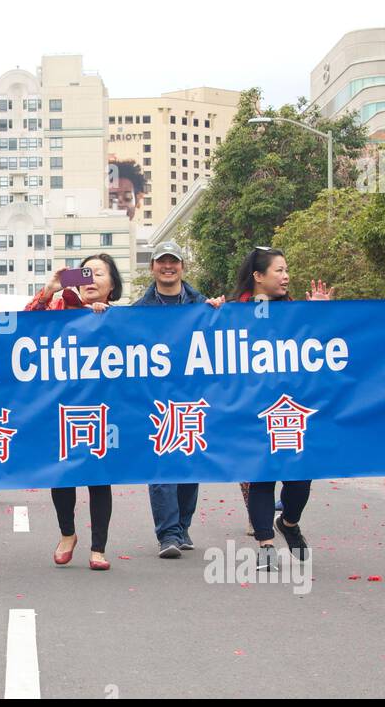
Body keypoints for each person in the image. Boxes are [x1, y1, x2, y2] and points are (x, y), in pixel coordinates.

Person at [226, 247, 332, 571]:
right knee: (261, 476)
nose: (286, 277)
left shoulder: (295, 312)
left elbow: (322, 349)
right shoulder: (232, 313)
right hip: (250, 409)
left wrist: (318, 315)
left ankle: (287, 522)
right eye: (279, 271)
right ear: (258, 276)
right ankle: (265, 545)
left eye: (287, 270)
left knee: (299, 479)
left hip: (291, 407)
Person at [26, 254, 122, 570]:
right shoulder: (58, 309)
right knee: (62, 472)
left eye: (99, 274)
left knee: (100, 476)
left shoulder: (121, 319)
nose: (91, 279)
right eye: (86, 273)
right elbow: (25, 324)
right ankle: (68, 533)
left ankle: (99, 547)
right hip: (60, 407)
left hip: (102, 408)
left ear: (112, 284)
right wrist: (50, 289)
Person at [132, 241, 223, 557]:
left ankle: (182, 527)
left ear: (182, 267)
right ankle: (167, 534)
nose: (167, 267)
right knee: (161, 467)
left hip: (192, 399)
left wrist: (219, 314)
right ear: (153, 268)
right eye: (161, 262)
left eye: (173, 262)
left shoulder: (203, 306)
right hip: (155, 401)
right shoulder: (139, 311)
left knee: (189, 466)